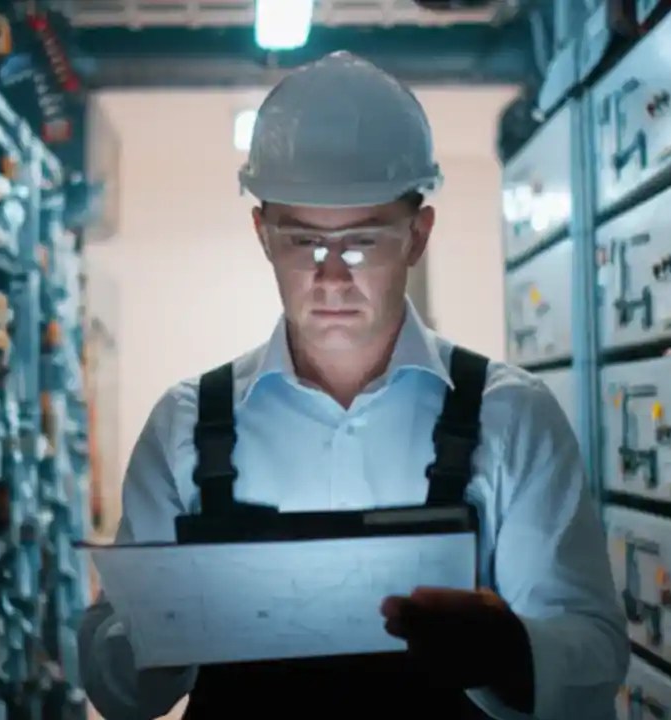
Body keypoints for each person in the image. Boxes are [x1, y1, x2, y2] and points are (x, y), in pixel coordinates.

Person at [77, 50, 628, 720]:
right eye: (303, 242)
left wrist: (506, 653)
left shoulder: (510, 418)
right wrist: (141, 635)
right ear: (262, 233)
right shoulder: (186, 427)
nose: (331, 277)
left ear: (418, 235)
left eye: (362, 243)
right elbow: (126, 697)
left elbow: (593, 663)